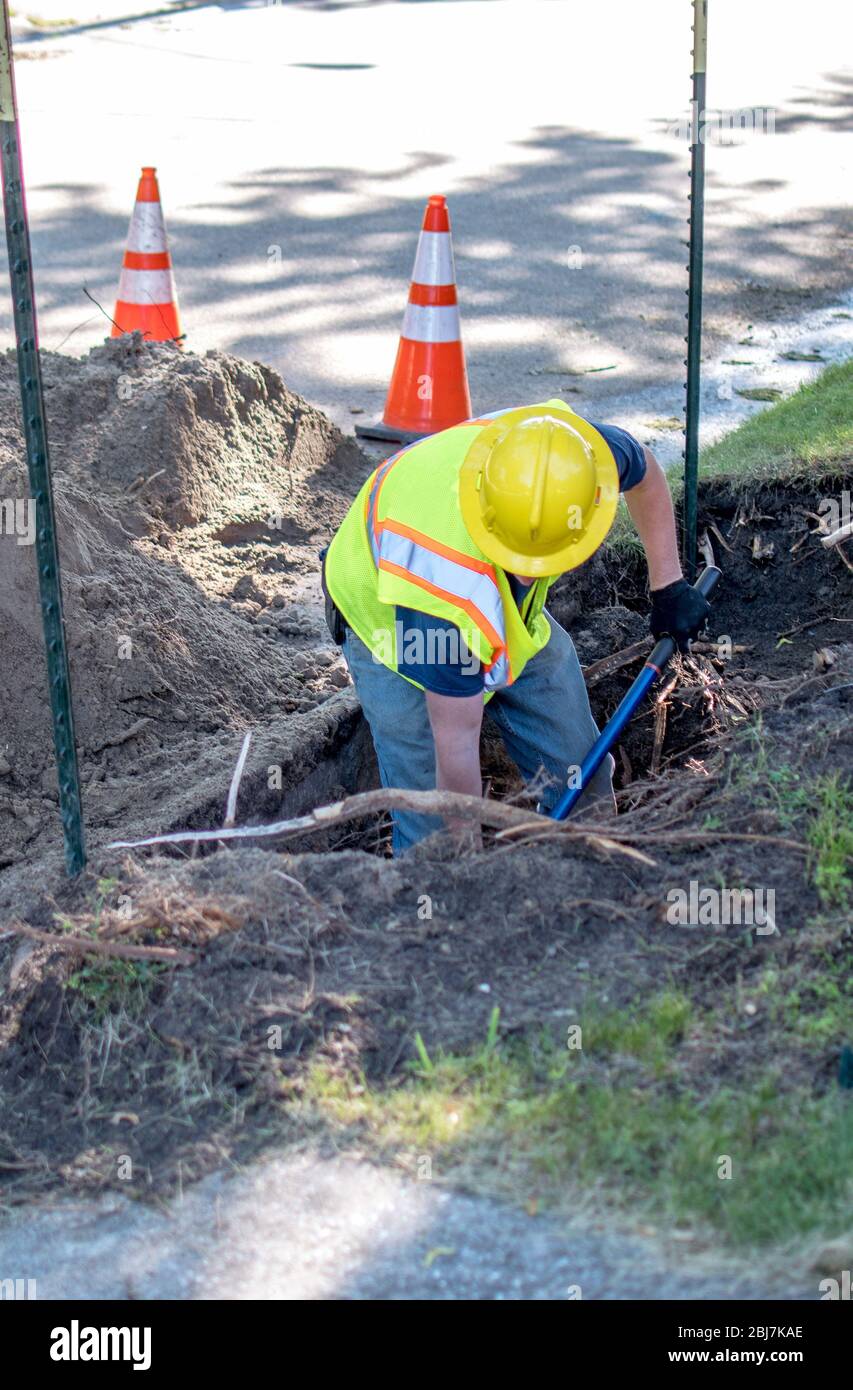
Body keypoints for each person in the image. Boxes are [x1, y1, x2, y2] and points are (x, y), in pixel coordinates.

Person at [322, 400, 709, 853]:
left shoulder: (573, 460)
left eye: (545, 558)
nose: (530, 576)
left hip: (475, 590)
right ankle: (430, 903)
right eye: (520, 559)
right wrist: (472, 867)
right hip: (384, 617)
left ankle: (583, 872)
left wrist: (668, 587)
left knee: (580, 780)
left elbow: (643, 470)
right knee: (433, 830)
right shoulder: (441, 596)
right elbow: (456, 747)